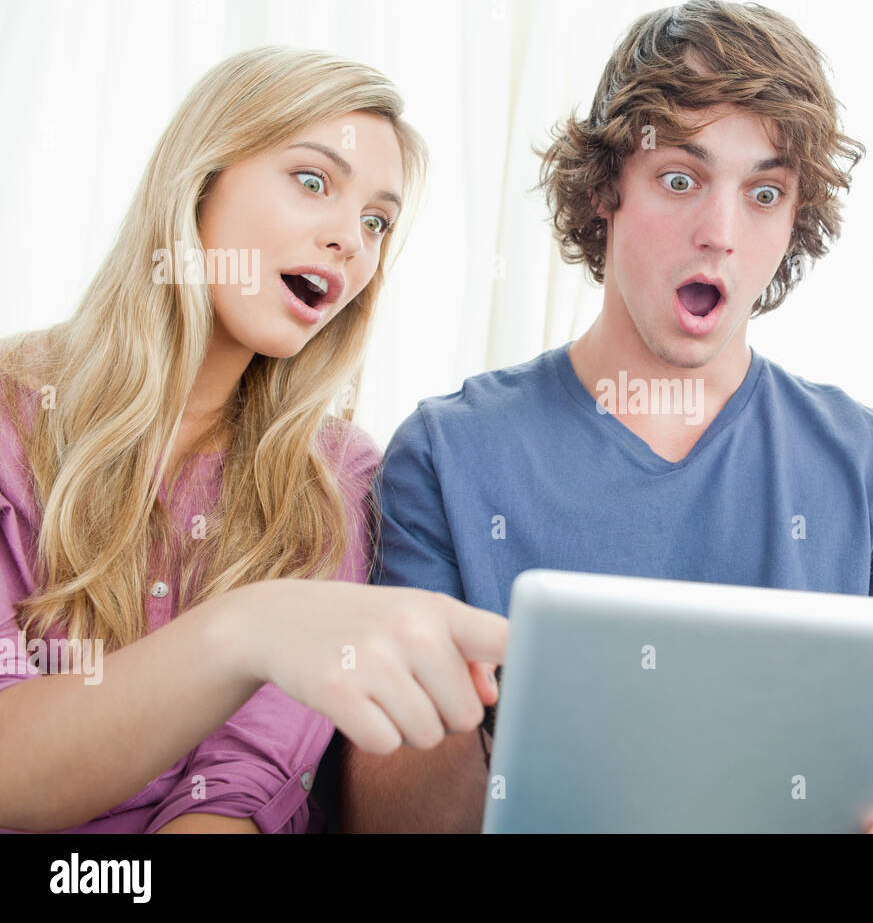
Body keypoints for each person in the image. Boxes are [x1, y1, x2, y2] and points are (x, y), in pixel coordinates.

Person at [343, 0, 873, 834]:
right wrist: (454, 712)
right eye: (680, 179)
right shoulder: (445, 455)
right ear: (605, 188)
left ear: (796, 221)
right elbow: (393, 822)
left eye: (764, 193)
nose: (719, 232)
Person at [0, 46, 506, 834]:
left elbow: (239, 791)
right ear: (199, 179)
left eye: (377, 221)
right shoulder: (12, 414)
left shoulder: (335, 477)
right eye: (314, 182)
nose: (351, 240)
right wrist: (246, 633)